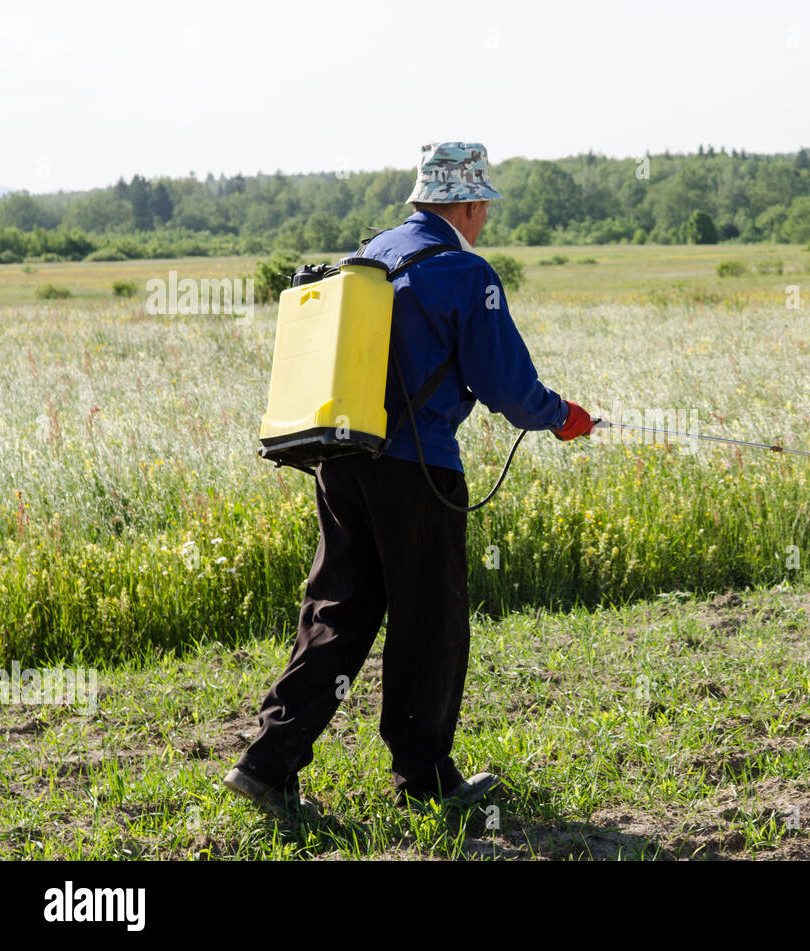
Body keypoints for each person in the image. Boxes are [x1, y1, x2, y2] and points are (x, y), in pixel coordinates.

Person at [223, 141, 594, 819]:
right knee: (432, 617)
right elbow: (507, 386)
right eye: (485, 209)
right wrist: (562, 416)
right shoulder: (463, 269)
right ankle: (425, 779)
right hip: (417, 468)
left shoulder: (371, 255)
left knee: (338, 613)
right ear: (472, 203)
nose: (485, 221)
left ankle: (267, 762)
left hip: (337, 456)